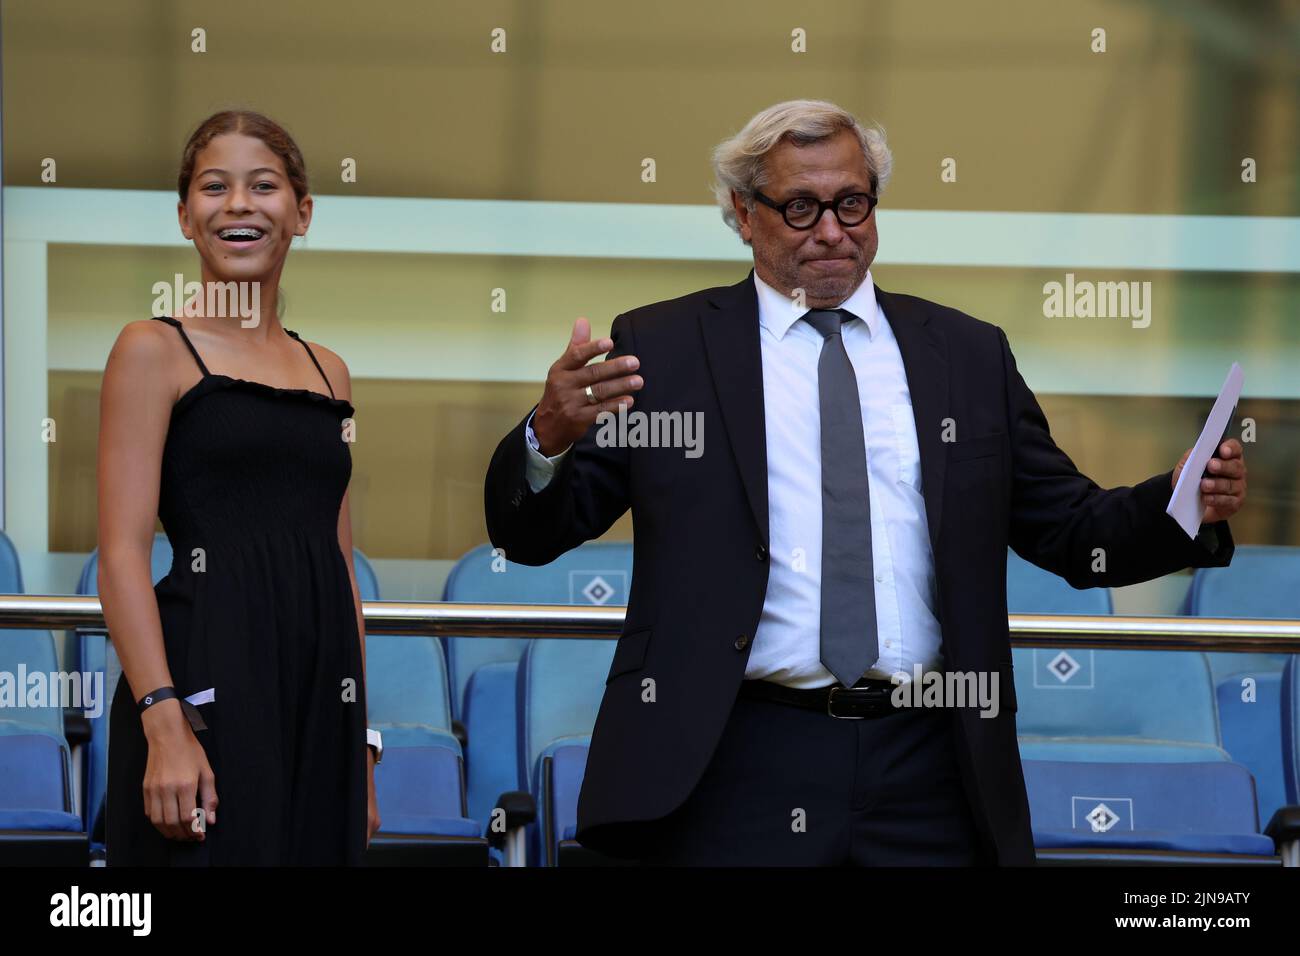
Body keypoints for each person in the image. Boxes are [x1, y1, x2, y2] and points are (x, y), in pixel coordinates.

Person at [483, 99, 1247, 866]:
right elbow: (533, 535)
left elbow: (1074, 533)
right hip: (730, 762)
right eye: (801, 207)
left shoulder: (967, 355)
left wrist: (1183, 501)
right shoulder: (667, 349)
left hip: (930, 766)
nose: (831, 230)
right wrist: (547, 436)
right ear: (744, 215)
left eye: (852, 203)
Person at [100, 110, 381, 864]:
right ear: (186, 216)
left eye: (264, 185)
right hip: (206, 684)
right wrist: (163, 721)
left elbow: (340, 567)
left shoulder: (330, 370)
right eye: (213, 186)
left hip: (320, 699)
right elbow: (121, 554)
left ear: (302, 212)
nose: (239, 205)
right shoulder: (152, 349)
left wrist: (360, 739)